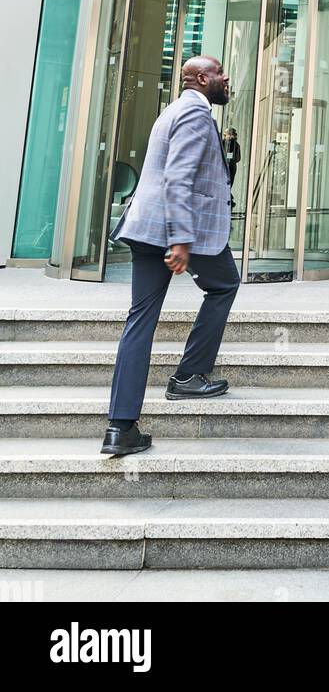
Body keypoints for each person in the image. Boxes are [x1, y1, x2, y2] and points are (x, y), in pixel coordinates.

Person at [100, 55, 240, 457]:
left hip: (147, 228)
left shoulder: (173, 110)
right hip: (176, 231)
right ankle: (189, 376)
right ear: (200, 79)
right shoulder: (196, 114)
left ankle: (120, 427)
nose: (225, 77)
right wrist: (181, 241)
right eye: (218, 72)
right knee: (225, 284)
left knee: (140, 320)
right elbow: (178, 177)